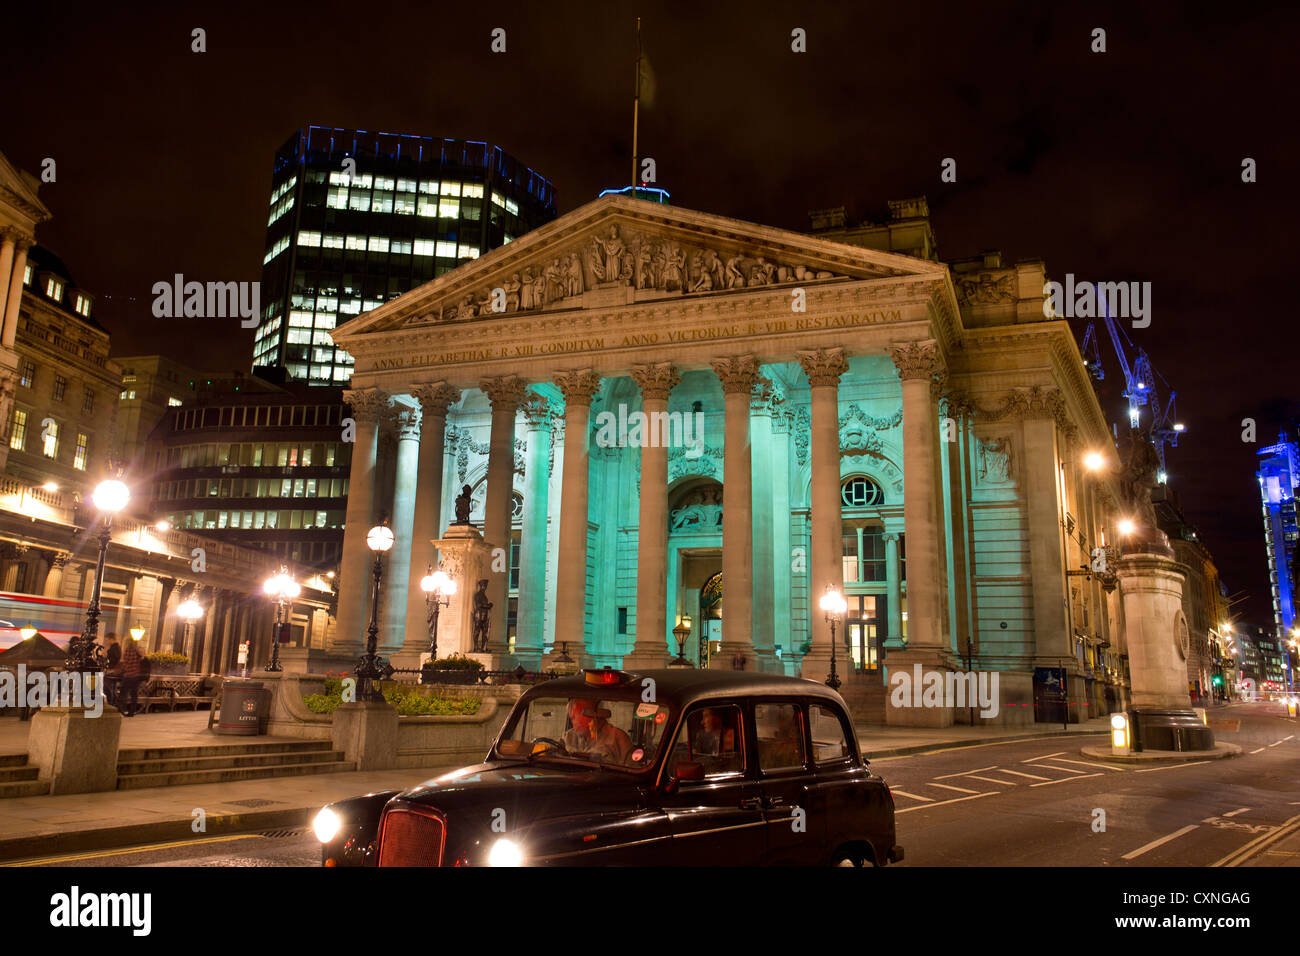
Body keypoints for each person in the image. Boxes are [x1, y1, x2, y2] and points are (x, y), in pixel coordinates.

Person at [119, 637, 148, 717]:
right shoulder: (138, 651)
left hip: (128, 675)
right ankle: (132, 711)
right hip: (136, 676)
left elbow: (126, 663)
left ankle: (122, 709)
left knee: (123, 693)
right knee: (134, 695)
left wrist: (122, 669)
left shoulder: (128, 650)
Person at [103, 633, 122, 707]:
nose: (106, 642)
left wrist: (106, 657)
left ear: (111, 639)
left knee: (107, 687)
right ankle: (113, 703)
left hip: (112, 670)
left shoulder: (115, 648)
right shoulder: (115, 647)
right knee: (111, 687)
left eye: (107, 640)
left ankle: (112, 703)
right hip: (112, 670)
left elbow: (114, 660)